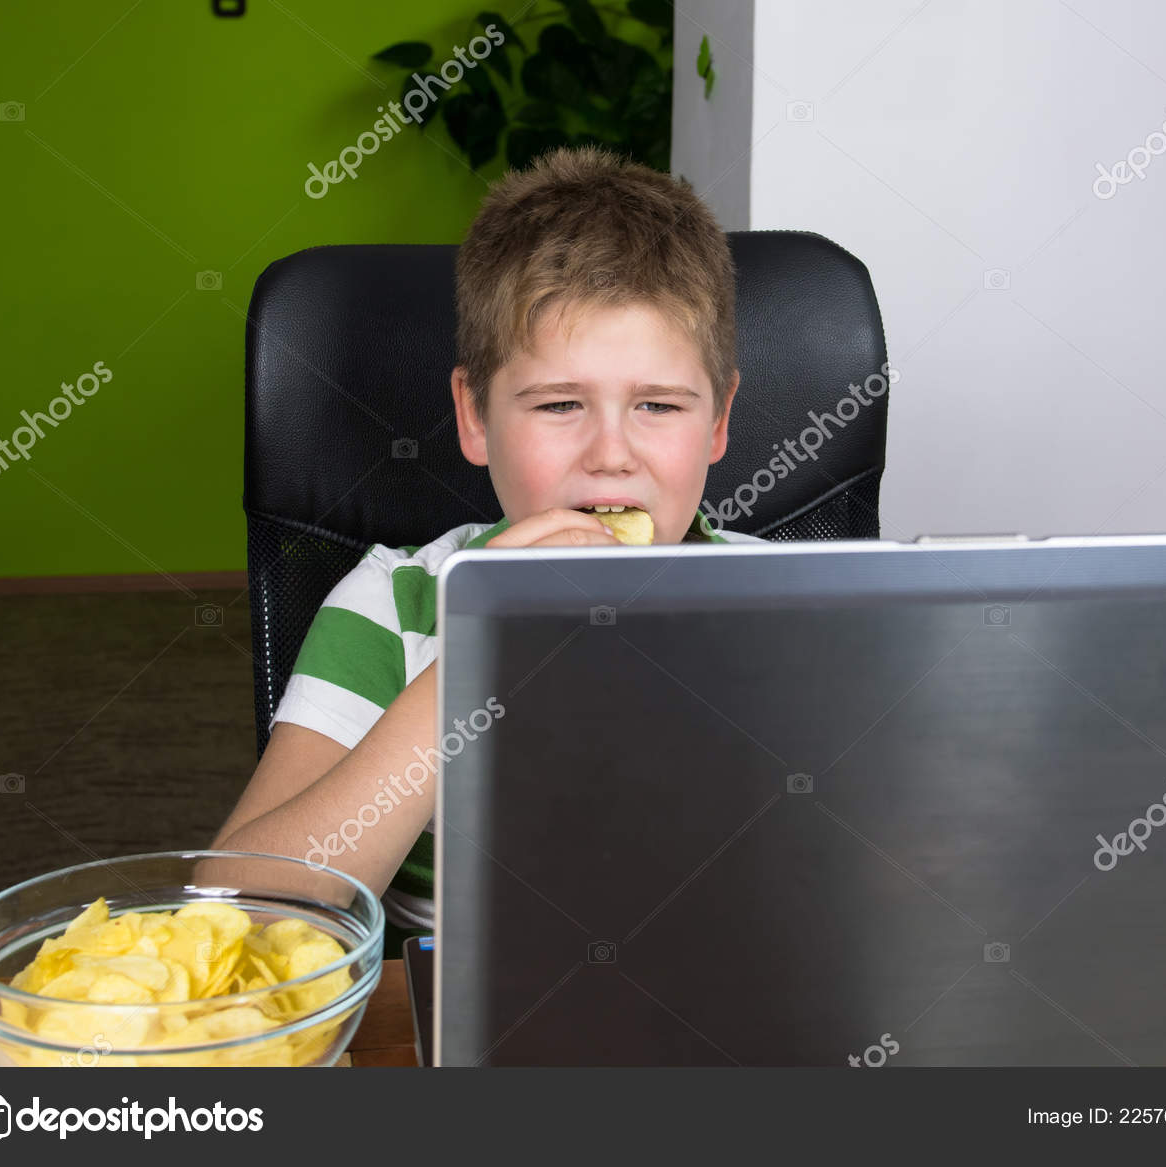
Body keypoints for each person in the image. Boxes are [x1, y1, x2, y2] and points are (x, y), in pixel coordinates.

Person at [213, 145, 766, 956]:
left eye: (657, 404)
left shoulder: (794, 599)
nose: (611, 453)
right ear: (474, 417)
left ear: (718, 422)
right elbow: (239, 908)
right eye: (558, 404)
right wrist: (470, 661)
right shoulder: (394, 605)